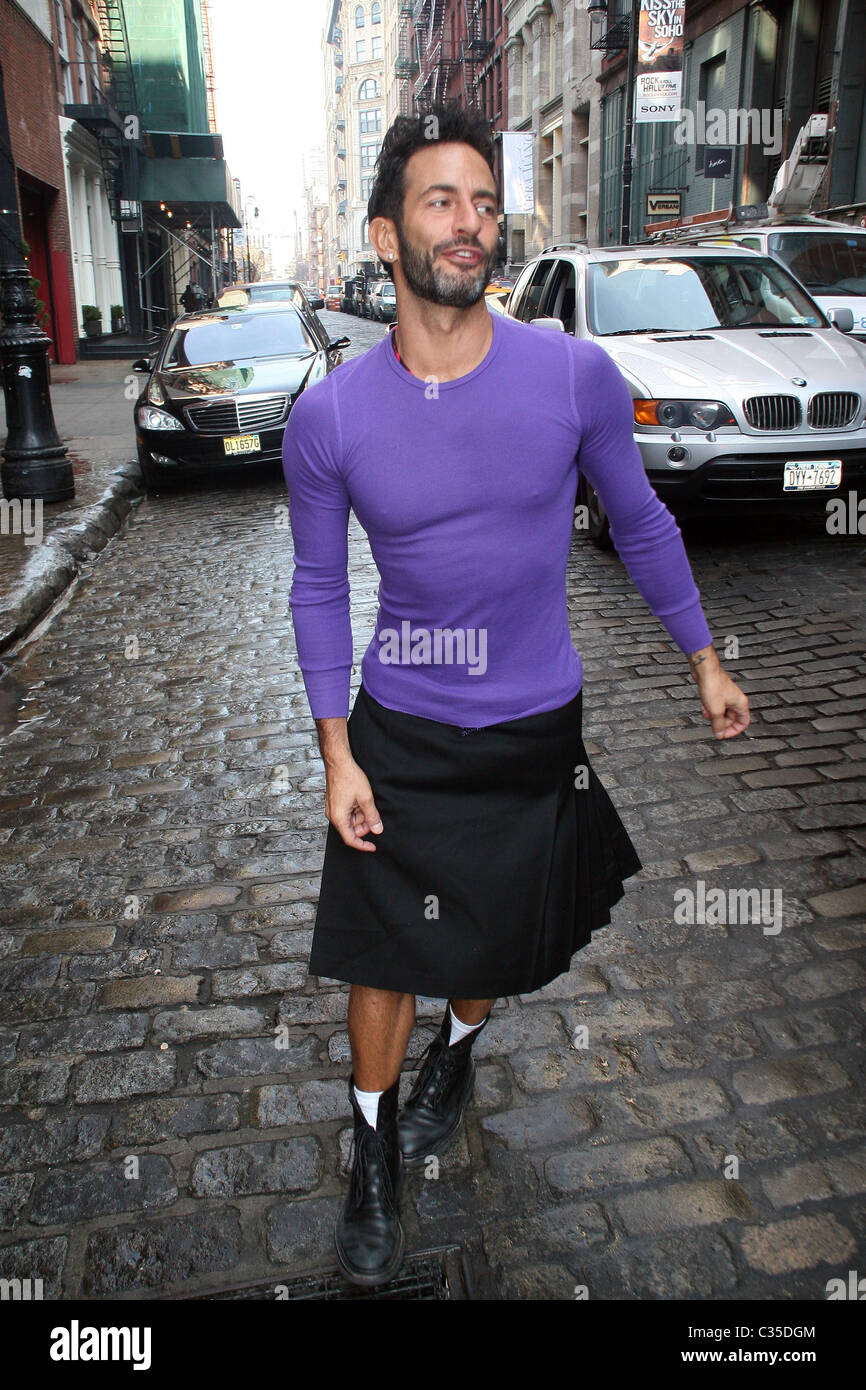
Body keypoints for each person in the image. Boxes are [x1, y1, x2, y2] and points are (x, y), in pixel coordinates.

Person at [281, 101, 750, 1289]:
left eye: (483, 203)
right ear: (386, 235)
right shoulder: (329, 415)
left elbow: (637, 521)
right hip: (399, 728)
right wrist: (336, 751)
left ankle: (463, 1048)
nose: (469, 222)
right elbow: (318, 593)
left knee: (489, 937)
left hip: (536, 722)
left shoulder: (573, 374)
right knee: (386, 951)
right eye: (441, 201)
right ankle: (374, 1150)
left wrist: (701, 657)